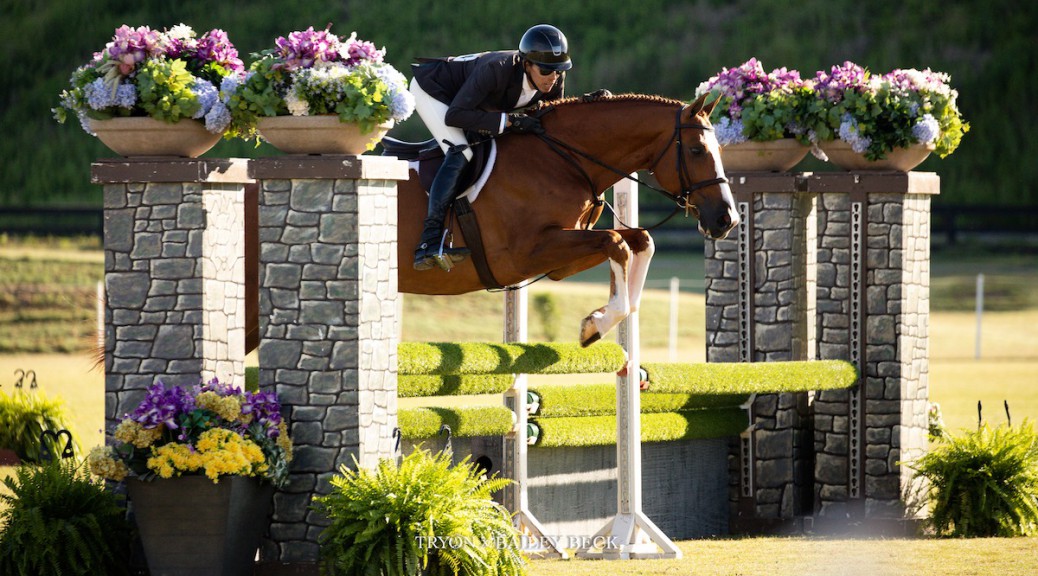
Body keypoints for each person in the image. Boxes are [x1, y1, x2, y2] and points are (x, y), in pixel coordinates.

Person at [408, 24, 571, 272]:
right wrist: (510, 121)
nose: (553, 77)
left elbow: (552, 122)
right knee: (461, 151)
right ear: (527, 64)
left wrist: (592, 103)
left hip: (470, 102)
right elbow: (455, 116)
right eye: (547, 70)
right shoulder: (497, 70)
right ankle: (429, 243)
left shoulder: (553, 79)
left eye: (558, 71)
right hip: (434, 91)